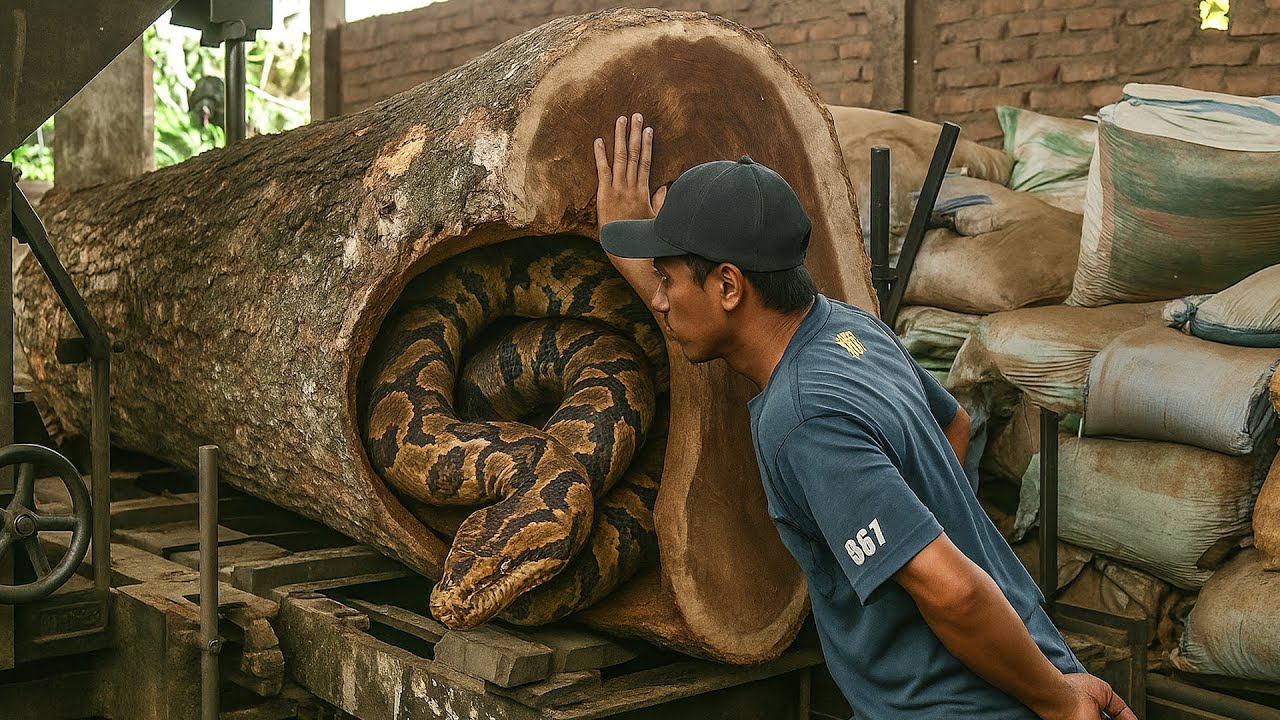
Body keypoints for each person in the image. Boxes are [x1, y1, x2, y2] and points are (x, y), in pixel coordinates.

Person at [590, 113, 1136, 720]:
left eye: (666, 278)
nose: (660, 299)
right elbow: (953, 424)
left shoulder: (804, 422)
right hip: (1032, 655)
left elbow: (950, 592)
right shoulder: (851, 330)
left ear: (727, 286)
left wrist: (1059, 705)